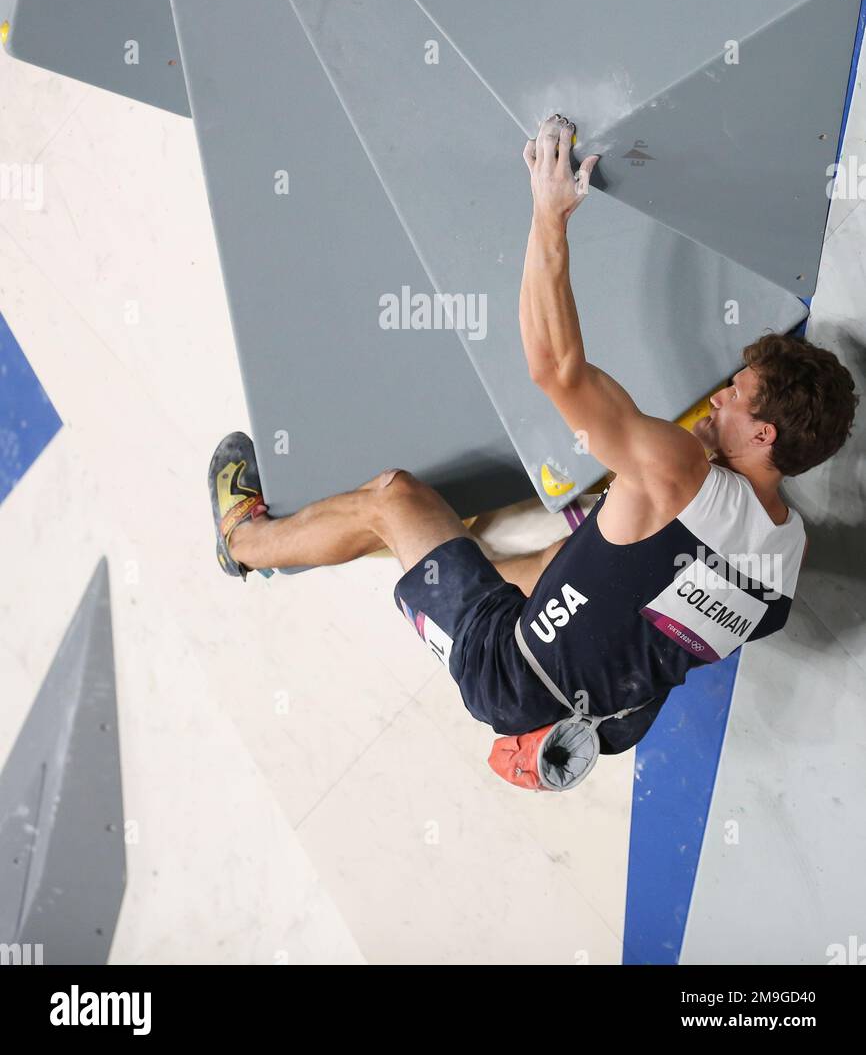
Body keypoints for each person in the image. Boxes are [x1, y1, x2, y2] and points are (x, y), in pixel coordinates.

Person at [208, 116, 858, 754]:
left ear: (765, 434)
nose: (718, 396)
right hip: (613, 719)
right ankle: (504, 599)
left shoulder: (678, 468)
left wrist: (551, 215)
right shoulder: (786, 556)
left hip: (508, 675)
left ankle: (245, 542)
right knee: (574, 554)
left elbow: (555, 368)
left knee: (395, 499)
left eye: (736, 395)